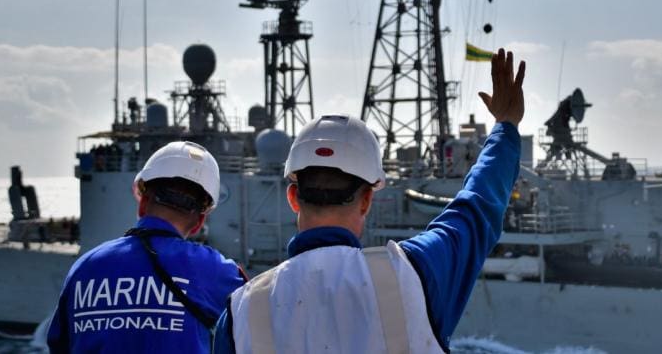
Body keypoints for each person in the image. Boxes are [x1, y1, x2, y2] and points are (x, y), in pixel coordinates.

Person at [214, 48, 525, 353]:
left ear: (294, 197)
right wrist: (505, 126)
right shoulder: (413, 274)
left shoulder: (242, 310)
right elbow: (477, 207)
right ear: (366, 200)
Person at [47, 141, 246, 353]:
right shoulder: (218, 271)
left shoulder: (83, 269)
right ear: (199, 222)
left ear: (143, 203)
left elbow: (59, 344)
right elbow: (255, 330)